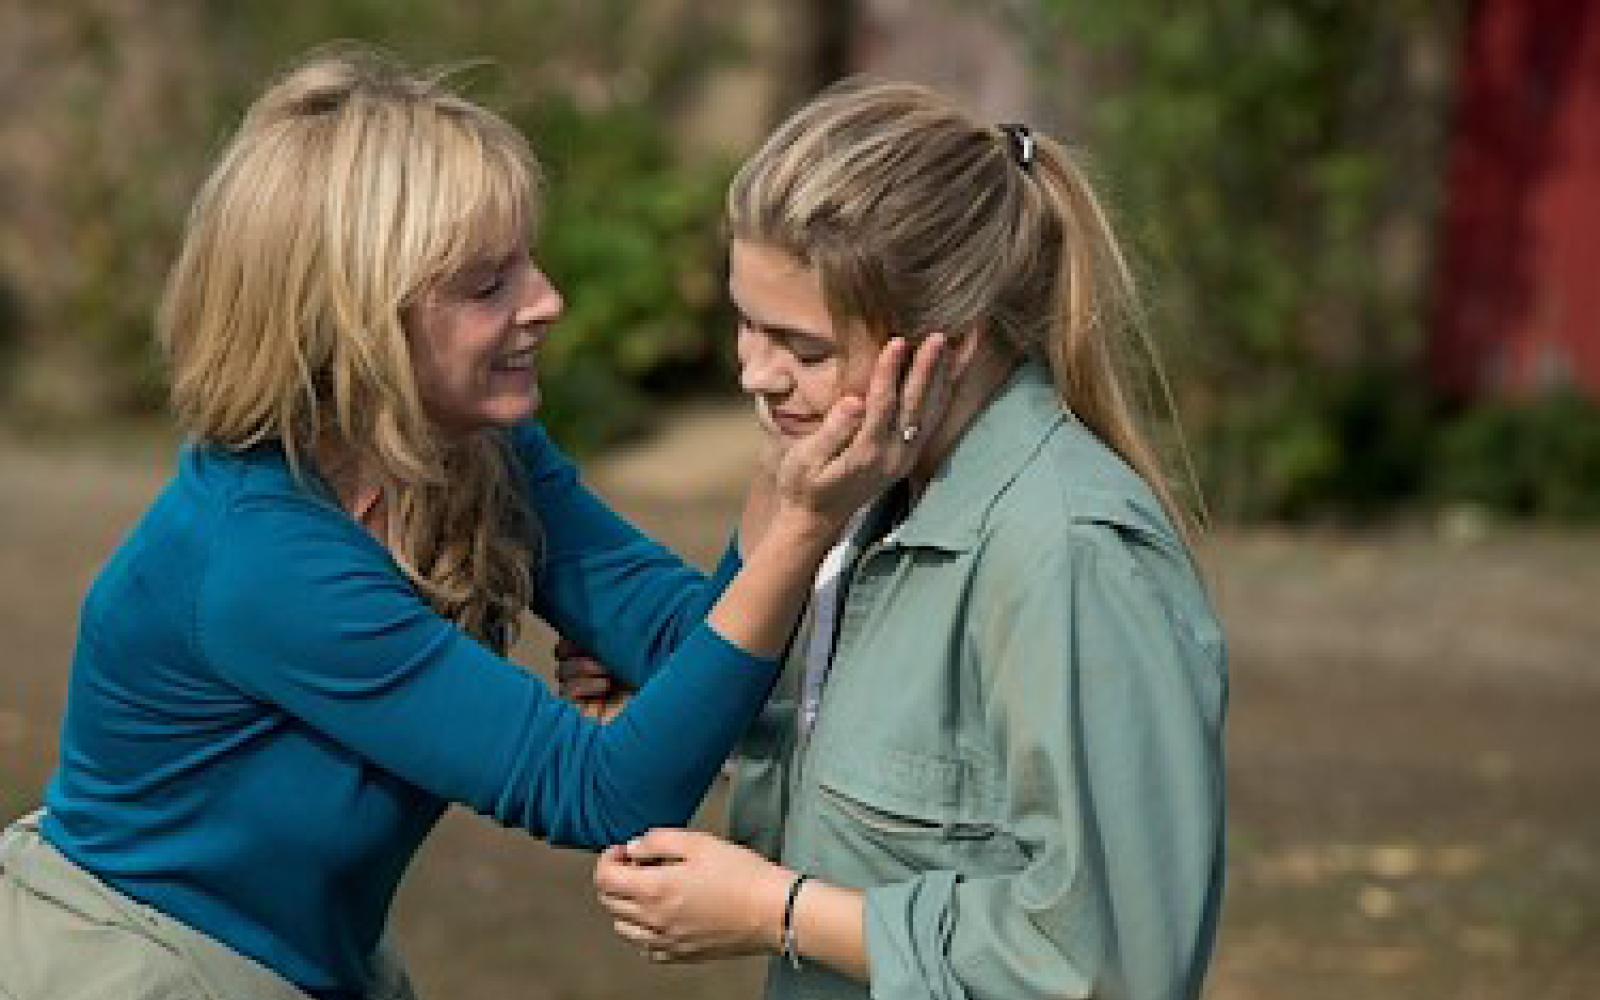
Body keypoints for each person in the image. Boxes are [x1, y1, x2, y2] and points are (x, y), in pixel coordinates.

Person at [0, 51, 949, 1000]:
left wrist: (775, 491)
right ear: (354, 322)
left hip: (304, 957)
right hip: (141, 961)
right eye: (487, 284)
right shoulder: (260, 558)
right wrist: (798, 528)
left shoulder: (471, 452)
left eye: (525, 263)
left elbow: (676, 643)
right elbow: (607, 791)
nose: (546, 301)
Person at [584, 79, 1228, 1000]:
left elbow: (1108, 962)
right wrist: (679, 724)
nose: (752, 374)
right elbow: (911, 812)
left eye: (801, 349)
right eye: (744, 323)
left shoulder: (1073, 556)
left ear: (949, 346)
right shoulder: (887, 500)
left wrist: (780, 913)